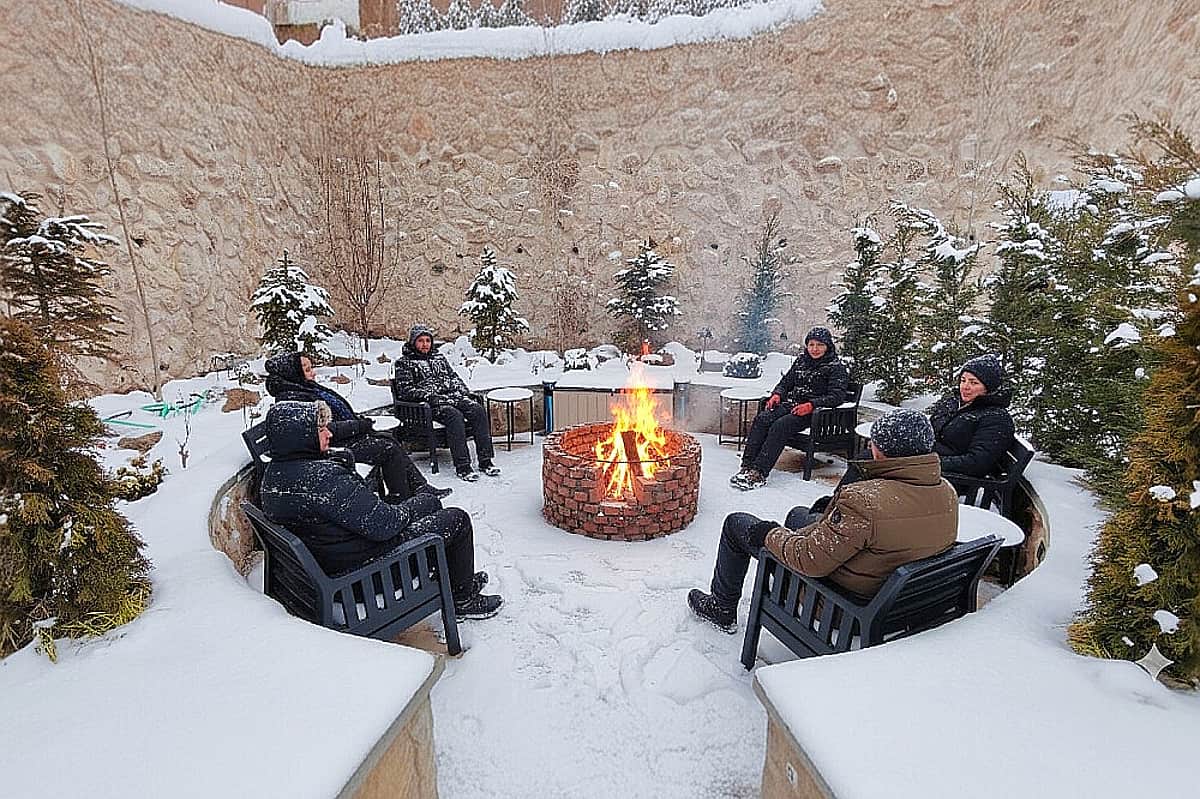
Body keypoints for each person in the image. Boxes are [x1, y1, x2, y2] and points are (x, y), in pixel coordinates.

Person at [689, 408, 958, 634]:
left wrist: (769, 534)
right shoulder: (945, 490)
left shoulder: (865, 501)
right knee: (798, 514)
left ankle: (721, 608)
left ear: (881, 451)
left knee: (738, 524)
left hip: (843, 607)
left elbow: (809, 560)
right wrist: (831, 512)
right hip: (899, 599)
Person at [259, 400, 502, 619]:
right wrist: (413, 505)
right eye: (320, 430)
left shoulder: (275, 476)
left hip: (337, 560)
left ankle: (460, 581)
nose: (328, 434)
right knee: (454, 518)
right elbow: (386, 526)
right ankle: (463, 598)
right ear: (300, 438)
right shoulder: (322, 479)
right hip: (368, 575)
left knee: (426, 504)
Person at [264, 351, 451, 500]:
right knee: (387, 449)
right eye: (306, 369)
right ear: (293, 373)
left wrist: (358, 422)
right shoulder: (295, 398)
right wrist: (359, 426)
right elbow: (325, 430)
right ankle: (402, 499)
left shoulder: (306, 388)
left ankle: (418, 486)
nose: (313, 372)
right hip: (330, 448)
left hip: (340, 439)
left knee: (388, 439)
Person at [731, 326, 850, 490]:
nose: (814, 349)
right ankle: (747, 465)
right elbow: (786, 382)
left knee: (780, 426)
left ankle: (759, 471)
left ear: (828, 346)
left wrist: (811, 405)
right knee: (762, 419)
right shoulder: (802, 360)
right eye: (811, 344)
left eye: (819, 345)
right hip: (792, 404)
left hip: (814, 413)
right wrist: (777, 394)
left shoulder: (835, 367)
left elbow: (837, 396)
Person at [393, 324, 498, 482]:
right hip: (429, 405)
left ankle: (485, 461)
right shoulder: (404, 363)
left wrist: (464, 392)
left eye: (428, 340)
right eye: (420, 341)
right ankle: (463, 466)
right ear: (413, 342)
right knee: (453, 416)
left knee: (477, 409)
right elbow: (405, 391)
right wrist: (429, 397)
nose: (425, 344)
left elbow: (453, 377)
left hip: (452, 396)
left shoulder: (439, 358)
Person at [928, 354, 1016, 478]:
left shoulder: (995, 418)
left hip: (952, 478)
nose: (965, 387)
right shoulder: (954, 403)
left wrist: (929, 464)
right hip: (931, 464)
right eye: (963, 380)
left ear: (988, 388)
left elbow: (977, 463)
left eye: (974, 383)